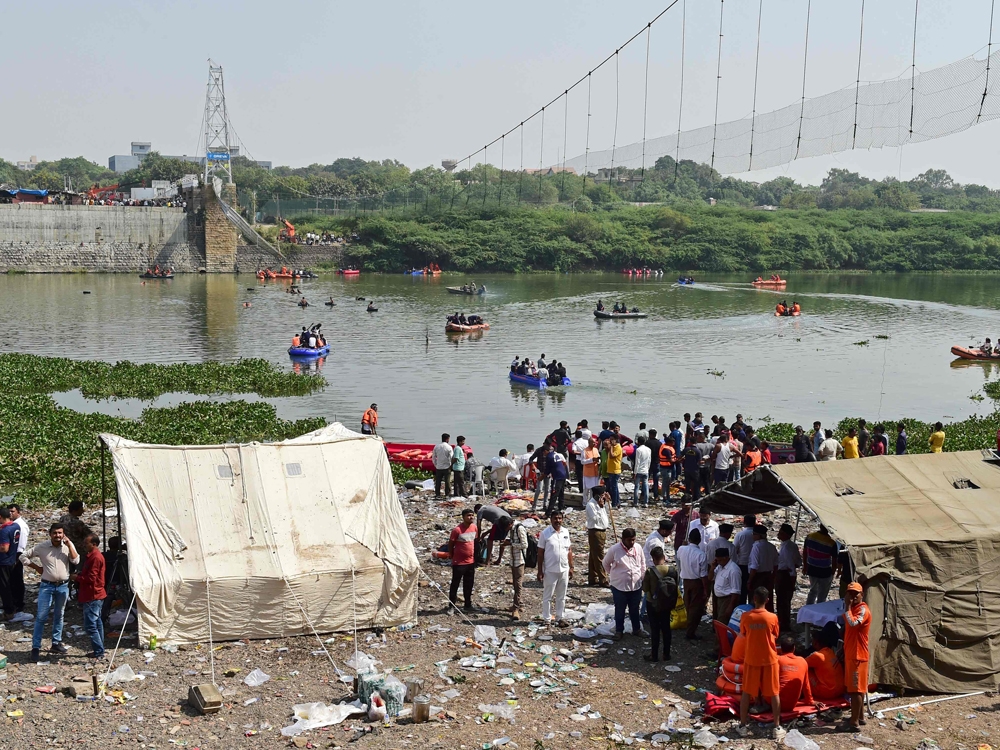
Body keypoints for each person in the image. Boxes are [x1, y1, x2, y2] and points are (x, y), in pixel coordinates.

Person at [22, 523, 79, 661]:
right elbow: (23, 556)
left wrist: (70, 544)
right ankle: (36, 647)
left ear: (63, 534)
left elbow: (76, 560)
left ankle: (56, 643)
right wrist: (36, 567)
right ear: (50, 534)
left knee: (59, 615)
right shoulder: (42, 547)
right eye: (55, 533)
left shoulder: (67, 546)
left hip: (63, 586)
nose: (57, 536)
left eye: (60, 533)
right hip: (46, 586)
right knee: (41, 617)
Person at [737, 587, 783, 739]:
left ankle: (743, 726)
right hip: (770, 659)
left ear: (754, 599)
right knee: (774, 692)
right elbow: (776, 635)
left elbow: (743, 633)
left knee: (746, 692)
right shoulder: (772, 617)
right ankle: (777, 727)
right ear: (768, 600)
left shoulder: (746, 616)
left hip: (752, 659)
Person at [603, 528, 646, 640]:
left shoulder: (638, 547)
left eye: (633, 540)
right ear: (623, 539)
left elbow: (642, 564)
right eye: (629, 540)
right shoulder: (615, 549)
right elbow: (606, 563)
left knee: (634, 609)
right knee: (620, 609)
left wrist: (642, 577)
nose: (631, 542)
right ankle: (619, 631)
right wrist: (615, 575)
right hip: (619, 586)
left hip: (636, 586)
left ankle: (636, 629)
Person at [843, 582, 872, 731]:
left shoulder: (862, 610)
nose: (853, 596)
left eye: (856, 593)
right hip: (852, 653)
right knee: (857, 688)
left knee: (855, 690)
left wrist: (847, 607)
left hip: (858, 655)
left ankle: (853, 723)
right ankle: (859, 717)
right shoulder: (854, 609)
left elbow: (853, 624)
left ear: (862, 595)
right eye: (850, 593)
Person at [73, 533, 106, 659]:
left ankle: (99, 651)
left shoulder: (96, 558)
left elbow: (91, 578)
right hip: (93, 594)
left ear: (94, 544)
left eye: (87, 543)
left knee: (91, 625)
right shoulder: (91, 556)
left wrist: (78, 578)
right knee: (97, 623)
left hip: (93, 595)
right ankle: (99, 649)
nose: (84, 545)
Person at [537, 511, 573, 626]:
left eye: (559, 518)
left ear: (562, 519)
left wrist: (571, 567)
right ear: (551, 519)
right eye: (555, 518)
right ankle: (547, 619)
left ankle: (559, 617)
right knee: (548, 596)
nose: (557, 521)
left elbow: (569, 550)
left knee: (561, 596)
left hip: (564, 569)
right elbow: (540, 552)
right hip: (550, 570)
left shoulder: (565, 532)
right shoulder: (545, 533)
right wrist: (539, 571)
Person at [642, 546, 678, 662]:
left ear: (653, 559)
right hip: (667, 603)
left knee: (655, 629)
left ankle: (654, 655)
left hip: (653, 603)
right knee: (666, 628)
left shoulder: (650, 571)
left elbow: (645, 589)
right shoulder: (672, 570)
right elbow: (676, 585)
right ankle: (666, 654)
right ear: (663, 557)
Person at [677, 529, 709, 640]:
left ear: (689, 539)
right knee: (696, 608)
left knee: (688, 604)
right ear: (699, 540)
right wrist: (706, 589)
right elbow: (704, 574)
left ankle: (689, 628)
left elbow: (679, 557)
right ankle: (691, 632)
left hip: (686, 581)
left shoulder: (681, 549)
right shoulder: (701, 555)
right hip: (697, 582)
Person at [447, 508, 478, 612]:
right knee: (455, 584)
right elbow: (451, 544)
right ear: (463, 517)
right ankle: (451, 606)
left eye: (472, 515)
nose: (471, 517)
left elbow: (475, 541)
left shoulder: (474, 527)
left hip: (470, 562)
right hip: (459, 562)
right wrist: (451, 555)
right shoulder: (457, 530)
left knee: (469, 584)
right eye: (469, 515)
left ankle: (468, 604)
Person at [807, 622, 846, 701]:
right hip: (841, 690)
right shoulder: (830, 652)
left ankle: (806, 695)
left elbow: (800, 664)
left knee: (805, 670)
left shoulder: (817, 656)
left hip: (828, 692)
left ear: (816, 643)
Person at [803, 524, 839, 605]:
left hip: (812, 569)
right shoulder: (831, 543)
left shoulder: (810, 537)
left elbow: (805, 553)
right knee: (822, 595)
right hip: (825, 572)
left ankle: (809, 609)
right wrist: (833, 572)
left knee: (812, 591)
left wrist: (805, 566)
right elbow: (834, 560)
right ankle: (819, 611)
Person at [777, 633, 814, 710]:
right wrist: (810, 701)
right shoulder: (802, 661)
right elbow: (806, 685)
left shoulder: (777, 660)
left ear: (781, 649)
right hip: (791, 704)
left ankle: (758, 703)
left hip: (775, 703)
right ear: (794, 648)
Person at [775, 524, 802, 632]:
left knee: (782, 601)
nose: (778, 534)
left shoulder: (786, 547)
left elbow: (792, 568)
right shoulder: (791, 545)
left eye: (781, 532)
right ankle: (784, 622)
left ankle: (783, 624)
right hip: (785, 574)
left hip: (784, 575)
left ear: (786, 534)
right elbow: (798, 562)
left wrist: (792, 583)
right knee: (784, 601)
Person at [501, 518, 529, 620]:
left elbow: (525, 545)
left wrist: (511, 543)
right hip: (513, 560)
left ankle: (516, 609)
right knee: (515, 584)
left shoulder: (519, 528)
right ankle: (518, 604)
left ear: (509, 524)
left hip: (520, 561)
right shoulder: (512, 529)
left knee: (518, 585)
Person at [748, 525, 778, 611]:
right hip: (768, 576)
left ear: (759, 535)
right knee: (767, 600)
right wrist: (773, 577)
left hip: (758, 577)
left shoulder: (756, 547)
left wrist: (749, 580)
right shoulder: (771, 546)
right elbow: (776, 564)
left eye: (754, 534)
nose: (753, 536)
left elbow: (754, 566)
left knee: (756, 600)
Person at [585, 486, 610, 587]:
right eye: (602, 495)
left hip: (602, 531)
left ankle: (592, 577)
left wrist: (607, 502)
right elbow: (595, 518)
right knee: (599, 556)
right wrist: (600, 507)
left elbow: (606, 513)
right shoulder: (591, 505)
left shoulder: (601, 504)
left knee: (593, 555)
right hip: (595, 532)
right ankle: (603, 579)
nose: (604, 496)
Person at [712, 547, 742, 630]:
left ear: (725, 558)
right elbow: (710, 577)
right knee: (719, 621)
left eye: (720, 560)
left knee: (722, 622)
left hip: (727, 599)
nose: (718, 562)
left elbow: (736, 590)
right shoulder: (719, 567)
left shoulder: (733, 570)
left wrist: (730, 606)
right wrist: (712, 567)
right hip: (719, 599)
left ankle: (721, 641)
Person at [733, 514, 757, 605]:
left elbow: (735, 549)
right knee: (753, 590)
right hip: (754, 567)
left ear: (744, 522)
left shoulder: (740, 534)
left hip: (742, 564)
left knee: (742, 590)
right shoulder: (757, 534)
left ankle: (741, 610)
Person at [0, 508, 19, 619]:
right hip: (12, 559)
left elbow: (4, 548)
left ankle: (9, 611)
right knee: (10, 584)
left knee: (4, 587)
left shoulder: (4, 531)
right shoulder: (15, 526)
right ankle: (13, 606)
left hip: (4, 561)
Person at [9, 504, 28, 614]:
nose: (10, 513)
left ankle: (19, 604)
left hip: (17, 555)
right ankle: (13, 602)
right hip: (12, 555)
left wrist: (17, 558)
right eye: (9, 511)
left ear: (18, 512)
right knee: (11, 580)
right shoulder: (13, 524)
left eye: (13, 511)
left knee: (17, 580)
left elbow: (21, 544)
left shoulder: (20, 526)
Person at [544, 444, 569, 517]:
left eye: (544, 452)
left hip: (557, 477)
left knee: (554, 494)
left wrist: (541, 477)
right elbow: (564, 464)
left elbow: (547, 471)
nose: (544, 454)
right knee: (561, 492)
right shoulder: (556, 454)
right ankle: (561, 508)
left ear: (546, 451)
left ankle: (548, 513)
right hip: (563, 475)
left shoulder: (549, 456)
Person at [432, 434, 454, 498]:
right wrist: (450, 465)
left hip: (439, 467)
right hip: (446, 467)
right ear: (447, 439)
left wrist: (436, 464)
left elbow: (433, 457)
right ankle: (447, 494)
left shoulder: (437, 447)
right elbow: (451, 458)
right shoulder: (449, 447)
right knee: (447, 481)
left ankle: (437, 494)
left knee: (438, 481)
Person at [604, 435, 623, 508]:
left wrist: (611, 446)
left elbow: (612, 456)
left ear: (616, 440)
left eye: (612, 440)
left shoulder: (618, 447)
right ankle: (617, 502)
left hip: (615, 470)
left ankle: (615, 503)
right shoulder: (613, 447)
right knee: (614, 487)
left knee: (614, 488)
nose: (611, 441)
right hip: (611, 470)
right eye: (610, 439)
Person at [632, 436, 651, 507]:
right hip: (646, 470)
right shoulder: (648, 449)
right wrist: (648, 469)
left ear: (638, 442)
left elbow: (637, 462)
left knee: (637, 486)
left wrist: (635, 472)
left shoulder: (638, 450)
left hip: (639, 470)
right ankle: (646, 502)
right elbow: (649, 460)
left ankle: (636, 502)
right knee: (646, 486)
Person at [646, 429, 663, 501]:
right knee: (656, 479)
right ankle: (656, 495)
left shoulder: (647, 443)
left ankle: (644, 494)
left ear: (650, 435)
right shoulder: (659, 443)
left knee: (646, 480)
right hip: (656, 462)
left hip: (649, 463)